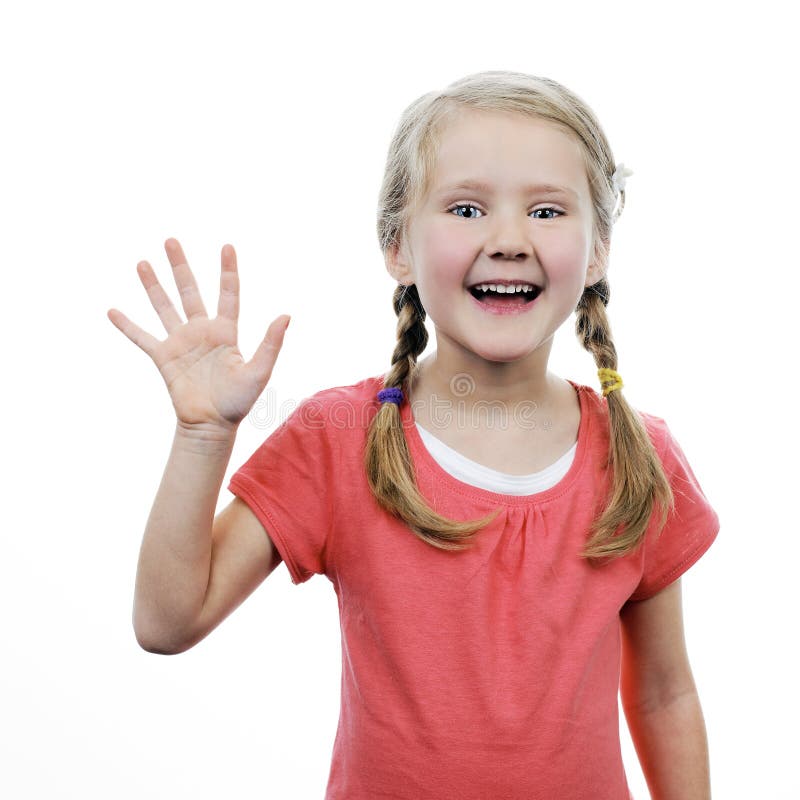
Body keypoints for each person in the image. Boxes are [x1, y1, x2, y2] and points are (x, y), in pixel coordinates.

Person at [108, 70, 719, 800]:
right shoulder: (339, 441)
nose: (509, 240)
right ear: (396, 246)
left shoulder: (637, 457)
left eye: (548, 211)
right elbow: (167, 621)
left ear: (598, 250)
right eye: (466, 207)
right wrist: (203, 435)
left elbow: (663, 696)